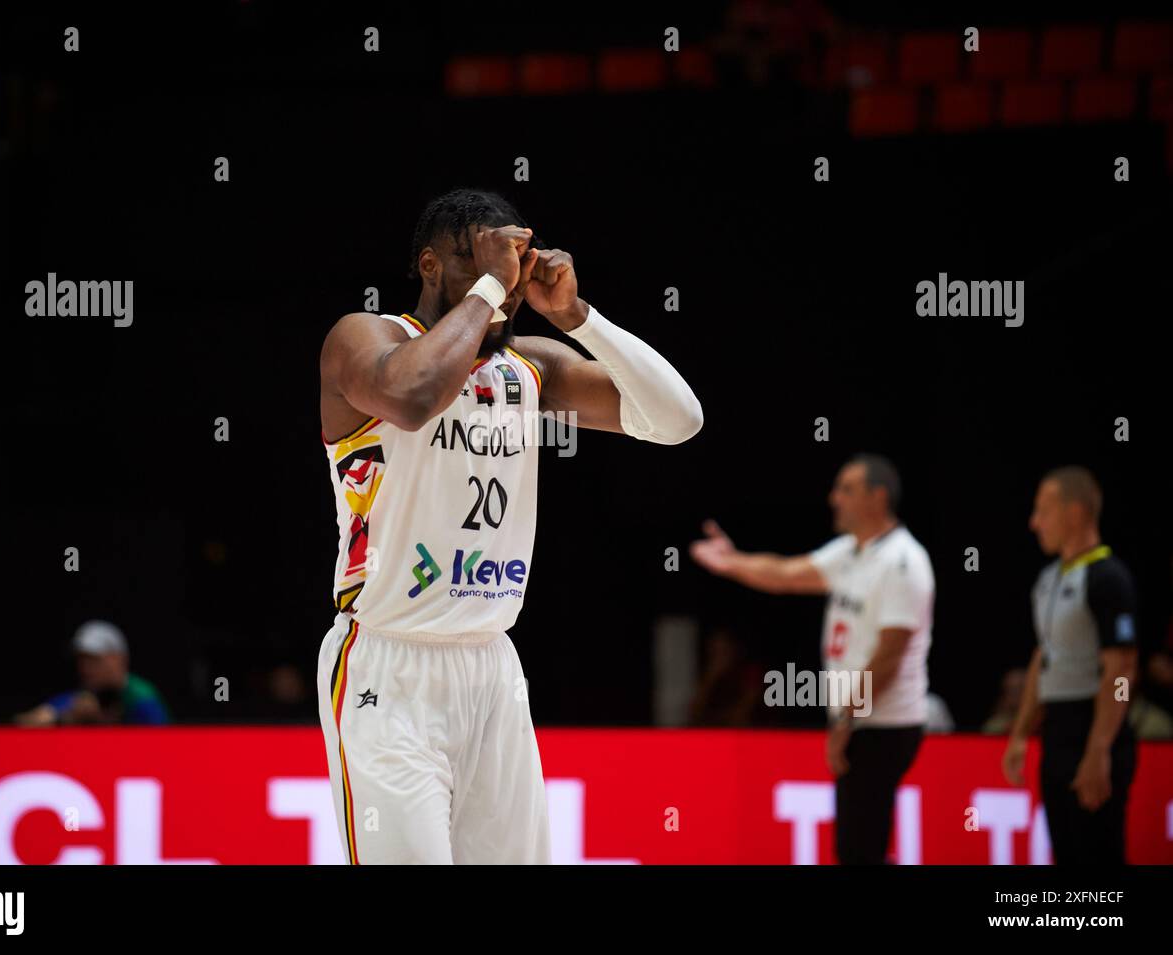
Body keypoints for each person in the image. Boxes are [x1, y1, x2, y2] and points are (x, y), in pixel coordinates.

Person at [316, 188, 703, 864]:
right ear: (430, 265)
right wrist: (492, 286)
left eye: (516, 262)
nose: (509, 284)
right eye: (487, 262)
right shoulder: (366, 338)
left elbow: (678, 420)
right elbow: (411, 397)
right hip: (387, 664)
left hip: (492, 666)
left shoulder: (526, 368)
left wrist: (579, 318)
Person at [691, 454, 934, 864]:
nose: (833, 497)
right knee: (860, 843)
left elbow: (889, 657)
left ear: (879, 497)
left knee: (859, 847)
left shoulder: (904, 563)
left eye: (847, 489)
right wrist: (732, 562)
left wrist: (846, 721)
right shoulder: (852, 552)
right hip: (863, 720)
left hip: (884, 725)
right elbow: (786, 574)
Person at [1002, 467, 1138, 864]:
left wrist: (1100, 749)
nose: (1034, 522)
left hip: (1093, 727)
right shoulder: (1046, 580)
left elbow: (1123, 671)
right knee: (1066, 850)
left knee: (1099, 853)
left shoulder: (1108, 578)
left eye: (1043, 510)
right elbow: (1042, 658)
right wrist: (1020, 732)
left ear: (1075, 512)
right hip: (1057, 733)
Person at [15, 620, 169, 726]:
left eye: (94, 660)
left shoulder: (141, 696)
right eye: (81, 660)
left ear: (118, 658)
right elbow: (29, 721)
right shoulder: (79, 699)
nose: (85, 667)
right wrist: (66, 719)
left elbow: (162, 742)